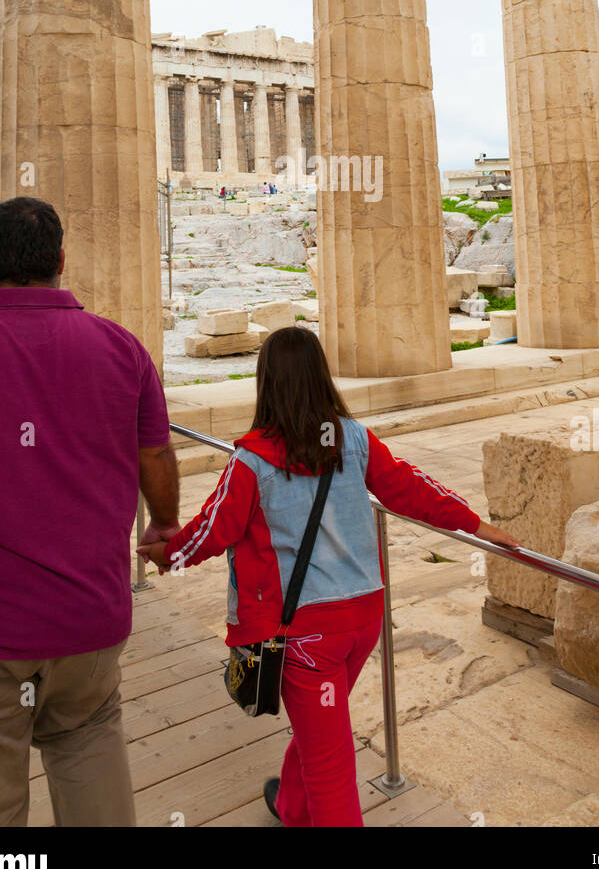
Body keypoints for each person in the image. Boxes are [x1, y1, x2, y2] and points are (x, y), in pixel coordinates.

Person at [139, 325, 520, 828]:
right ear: (321, 376)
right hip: (363, 618)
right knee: (324, 727)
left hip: (304, 636)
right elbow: (410, 488)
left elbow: (213, 531)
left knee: (330, 766)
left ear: (266, 383)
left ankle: (310, 807)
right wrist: (476, 523)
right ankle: (293, 809)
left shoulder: (251, 460)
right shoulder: (355, 440)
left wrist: (168, 554)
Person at [0, 196, 180, 827]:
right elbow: (155, 453)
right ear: (59, 261)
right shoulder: (120, 348)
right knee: (89, 747)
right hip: (88, 622)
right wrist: (163, 524)